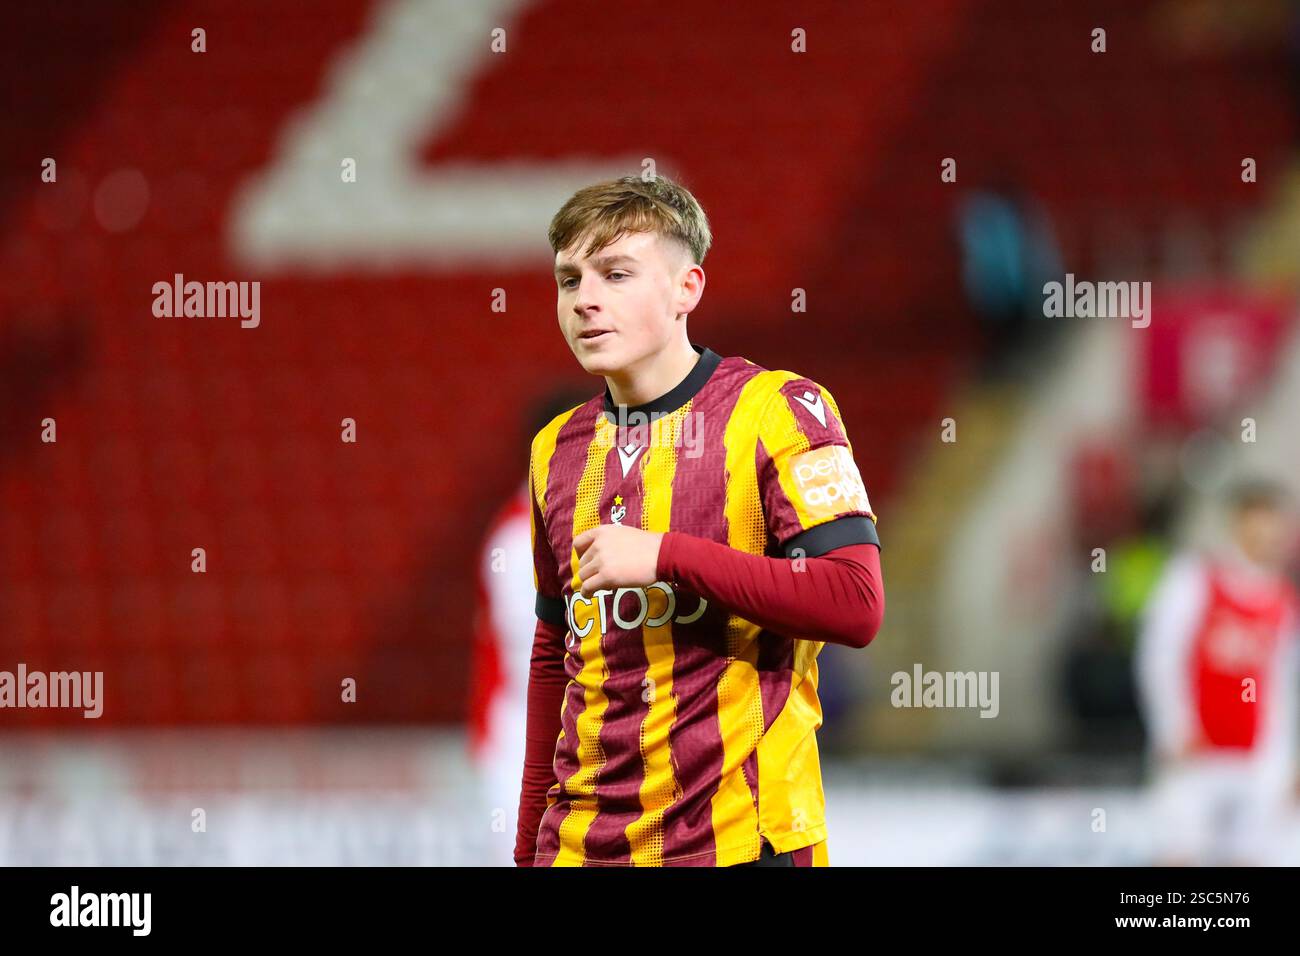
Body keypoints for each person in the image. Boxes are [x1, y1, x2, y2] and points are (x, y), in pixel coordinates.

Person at [515, 174, 885, 867]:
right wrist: (526, 848)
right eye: (569, 280)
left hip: (742, 841)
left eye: (615, 273)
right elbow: (553, 658)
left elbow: (855, 603)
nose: (584, 299)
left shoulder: (778, 411)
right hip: (581, 849)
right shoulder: (555, 450)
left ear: (688, 289)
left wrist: (666, 557)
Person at [1136, 480, 1300, 864]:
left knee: (1251, 857)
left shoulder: (1283, 601)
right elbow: (1160, 656)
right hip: (1196, 751)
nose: (1268, 536)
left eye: (1276, 526)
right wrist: (1173, 727)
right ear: (1237, 523)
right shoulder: (1194, 580)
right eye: (1258, 524)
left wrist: (1286, 757)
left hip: (1255, 758)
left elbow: (1281, 684)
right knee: (1179, 854)